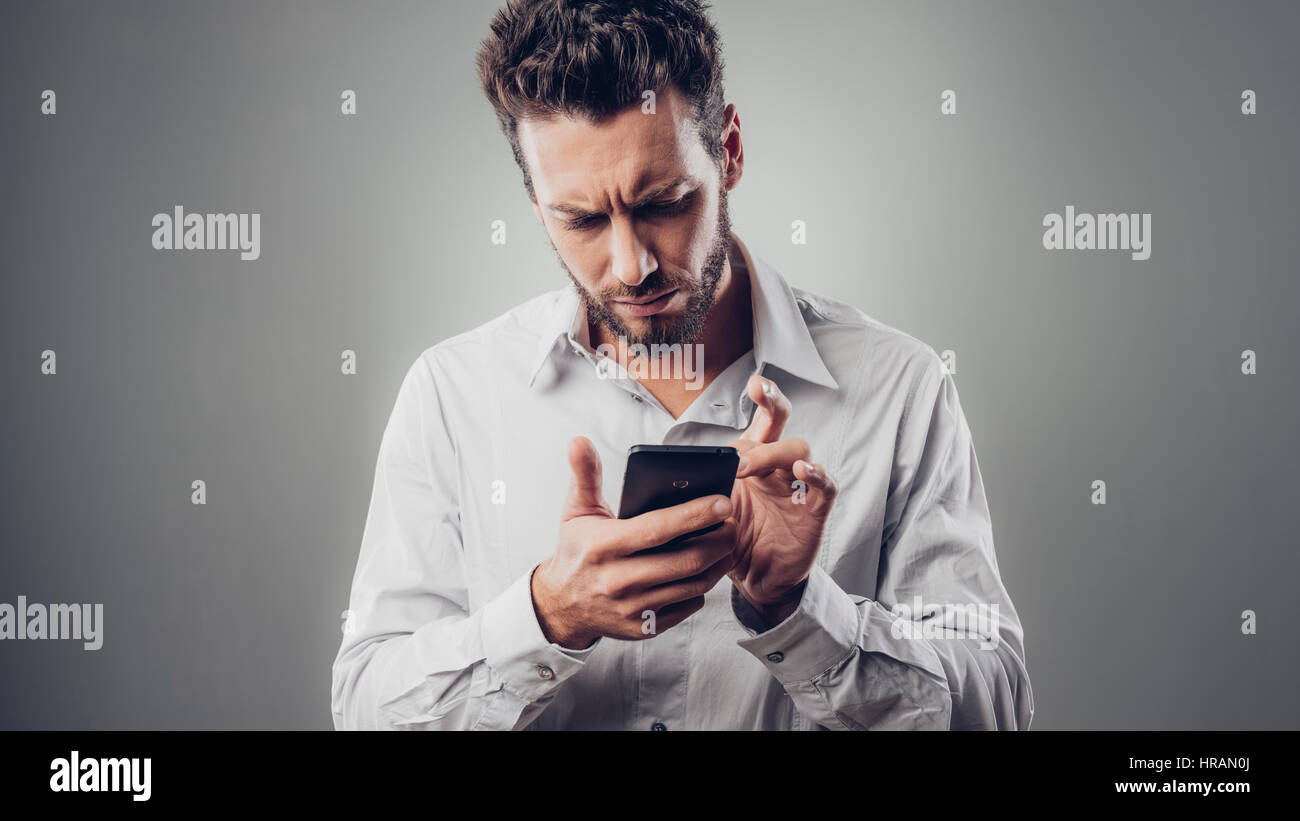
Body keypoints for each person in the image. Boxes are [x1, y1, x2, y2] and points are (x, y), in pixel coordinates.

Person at [331, 0, 1033, 730]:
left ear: (728, 151)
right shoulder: (451, 395)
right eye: (582, 220)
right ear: (536, 208)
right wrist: (545, 615)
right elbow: (365, 708)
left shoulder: (901, 390)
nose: (631, 265)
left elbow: (996, 706)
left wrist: (798, 609)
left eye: (663, 202)